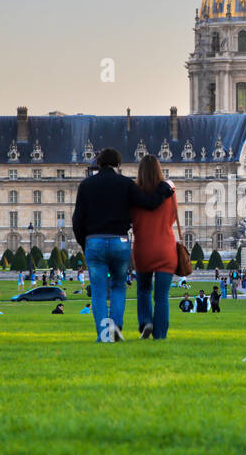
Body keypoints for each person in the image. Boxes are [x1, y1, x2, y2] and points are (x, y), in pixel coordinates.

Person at [72, 147, 173, 342]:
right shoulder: (125, 184)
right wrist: (164, 188)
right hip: (120, 241)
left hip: (94, 241)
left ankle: (104, 334)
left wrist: (85, 243)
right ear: (118, 165)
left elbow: (77, 221)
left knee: (99, 292)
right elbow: (149, 203)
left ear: (99, 164)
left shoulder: (86, 185)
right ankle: (116, 326)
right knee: (118, 286)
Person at [130, 154, 180, 340]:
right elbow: (173, 218)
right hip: (166, 248)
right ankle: (159, 336)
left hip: (143, 248)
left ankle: (145, 322)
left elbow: (130, 218)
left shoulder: (134, 192)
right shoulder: (170, 190)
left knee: (143, 290)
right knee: (161, 297)